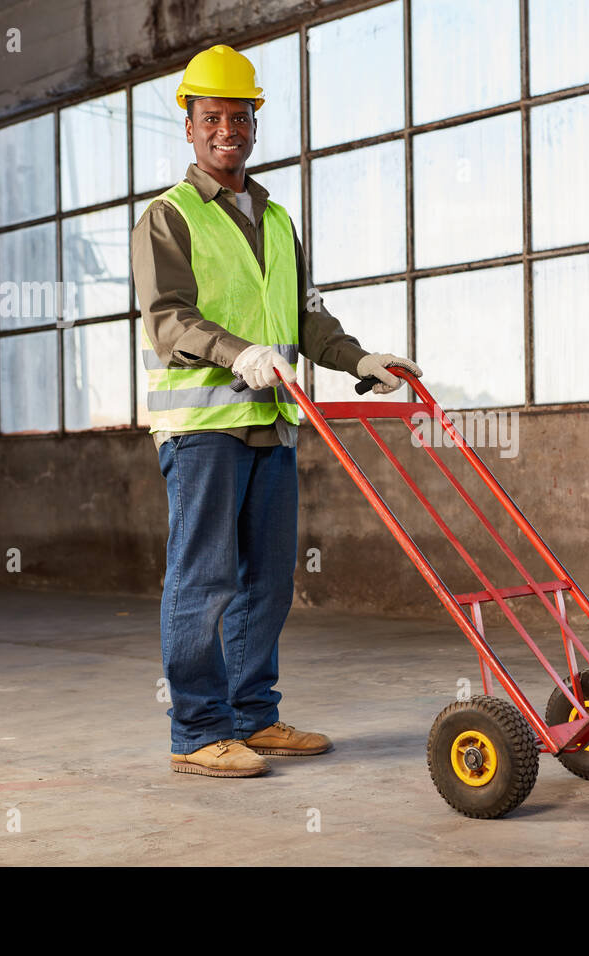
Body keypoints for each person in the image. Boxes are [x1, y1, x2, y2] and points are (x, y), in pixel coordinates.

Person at [130, 44, 421, 778]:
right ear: (189, 128)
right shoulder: (169, 218)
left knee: (268, 578)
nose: (226, 129)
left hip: (275, 423)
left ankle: (253, 716)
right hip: (203, 430)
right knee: (203, 578)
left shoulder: (279, 218)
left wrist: (360, 360)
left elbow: (307, 316)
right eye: (212, 118)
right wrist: (238, 354)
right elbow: (167, 318)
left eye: (239, 116)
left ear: (254, 124)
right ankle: (197, 730)